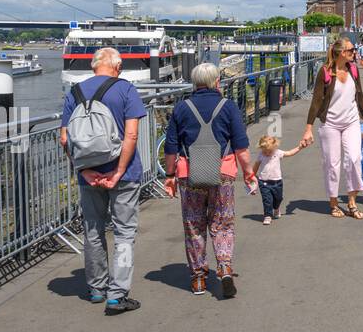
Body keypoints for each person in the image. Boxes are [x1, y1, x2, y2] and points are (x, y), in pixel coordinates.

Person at [59, 47, 146, 316]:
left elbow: (64, 138)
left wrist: (84, 171)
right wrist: (119, 171)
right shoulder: (126, 89)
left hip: (89, 175)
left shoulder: (74, 92)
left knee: (93, 230)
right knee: (124, 233)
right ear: (117, 66)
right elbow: (131, 136)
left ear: (93, 66)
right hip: (125, 174)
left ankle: (96, 288)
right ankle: (117, 294)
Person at [162, 62, 255, 297]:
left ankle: (199, 279)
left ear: (195, 83)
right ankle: (224, 267)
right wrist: (249, 173)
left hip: (189, 174)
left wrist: (170, 175)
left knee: (194, 225)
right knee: (223, 223)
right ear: (217, 82)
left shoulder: (182, 108)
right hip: (222, 172)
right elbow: (241, 146)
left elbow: (171, 147)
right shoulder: (228, 106)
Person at [301, 38, 363, 219]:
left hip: (351, 121)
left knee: (354, 158)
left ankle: (352, 202)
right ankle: (333, 203)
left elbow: (359, 94)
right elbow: (316, 100)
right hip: (330, 123)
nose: (354, 53)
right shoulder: (325, 72)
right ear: (340, 53)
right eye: (351, 50)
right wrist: (308, 128)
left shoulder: (353, 70)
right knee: (332, 163)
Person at [253, 134, 303, 225]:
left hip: (277, 182)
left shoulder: (278, 152)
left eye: (269, 151)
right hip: (264, 182)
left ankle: (276, 209)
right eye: (265, 151)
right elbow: (256, 166)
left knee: (278, 198)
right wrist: (252, 176)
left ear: (274, 148)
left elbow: (289, 153)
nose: (267, 153)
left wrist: (299, 147)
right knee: (267, 200)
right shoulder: (261, 155)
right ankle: (268, 215)